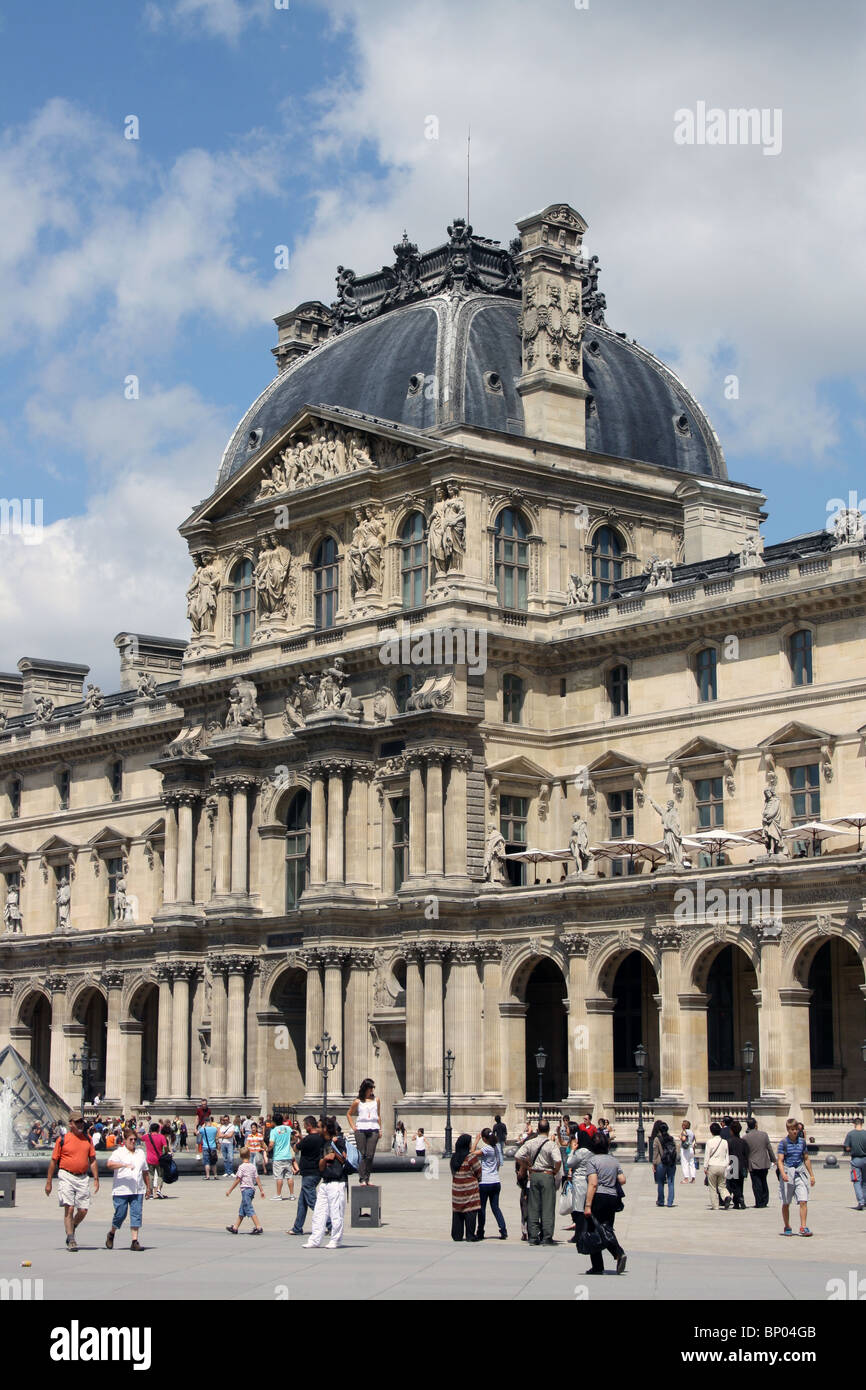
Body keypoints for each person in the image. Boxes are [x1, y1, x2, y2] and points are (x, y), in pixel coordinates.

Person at [44, 1112, 100, 1252]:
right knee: (69, 1207)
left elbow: (92, 1160)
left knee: (83, 1210)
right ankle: (71, 1238)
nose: (80, 1124)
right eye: (77, 1122)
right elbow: (53, 1161)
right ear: (70, 1124)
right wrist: (49, 1181)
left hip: (82, 1177)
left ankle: (72, 1226)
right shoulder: (62, 1140)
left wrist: (96, 1179)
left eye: (81, 1121)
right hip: (66, 1175)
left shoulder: (87, 1139)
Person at [583, 1131, 627, 1275]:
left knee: (593, 1229)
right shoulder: (613, 1160)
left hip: (598, 1197)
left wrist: (588, 1205)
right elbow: (622, 1179)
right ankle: (616, 1254)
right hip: (612, 1197)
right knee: (607, 1227)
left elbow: (593, 1184)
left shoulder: (592, 1161)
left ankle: (608, 1258)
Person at [514, 1118, 561, 1246]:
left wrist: (527, 1166)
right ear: (548, 1129)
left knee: (533, 1206)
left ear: (538, 1129)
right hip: (547, 1174)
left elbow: (517, 1155)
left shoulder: (531, 1142)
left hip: (534, 1175)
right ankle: (547, 1236)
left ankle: (533, 1236)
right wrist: (555, 1171)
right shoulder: (551, 1144)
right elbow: (558, 1160)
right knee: (547, 1206)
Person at [106, 1127, 152, 1250]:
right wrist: (124, 1165)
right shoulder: (118, 1152)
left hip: (137, 1190)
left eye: (135, 1140)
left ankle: (134, 1241)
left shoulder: (140, 1153)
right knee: (120, 1214)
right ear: (125, 1140)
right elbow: (109, 1164)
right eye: (130, 1139)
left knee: (136, 1214)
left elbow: (145, 1171)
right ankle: (112, 1233)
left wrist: (149, 1187)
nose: (133, 1142)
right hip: (121, 1189)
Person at [306, 1117, 348, 1249]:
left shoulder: (339, 1141)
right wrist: (324, 1159)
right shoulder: (323, 1144)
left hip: (337, 1181)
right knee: (319, 1212)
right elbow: (320, 1166)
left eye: (319, 1127)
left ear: (325, 1128)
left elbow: (344, 1159)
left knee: (336, 1213)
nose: (317, 1129)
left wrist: (334, 1150)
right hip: (325, 1182)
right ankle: (315, 1239)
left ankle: (336, 1240)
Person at [777, 1117, 815, 1236]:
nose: (794, 1132)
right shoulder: (783, 1143)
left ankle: (803, 1227)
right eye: (792, 1129)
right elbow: (780, 1160)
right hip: (788, 1173)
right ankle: (787, 1226)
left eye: (796, 1129)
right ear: (788, 1130)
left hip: (799, 1173)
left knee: (803, 1200)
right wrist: (783, 1174)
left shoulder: (802, 1142)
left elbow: (806, 1159)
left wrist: (812, 1175)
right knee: (786, 1202)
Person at [289, 1116, 324, 1236]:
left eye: (305, 1126)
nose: (304, 1128)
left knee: (313, 1202)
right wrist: (301, 1138)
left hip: (309, 1174)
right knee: (302, 1203)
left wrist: (297, 1139)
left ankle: (329, 1224)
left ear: (309, 1126)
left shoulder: (308, 1139)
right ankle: (297, 1228)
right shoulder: (319, 1138)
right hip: (316, 1172)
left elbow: (296, 1148)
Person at [473, 1128, 507, 1240]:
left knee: (481, 1208)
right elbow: (497, 1164)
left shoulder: (487, 1148)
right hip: (496, 1181)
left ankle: (480, 1231)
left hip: (485, 1182)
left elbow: (471, 1154)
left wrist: (476, 1141)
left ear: (484, 1138)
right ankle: (503, 1230)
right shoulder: (496, 1148)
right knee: (495, 1207)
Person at [347, 1078, 381, 1186]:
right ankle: (362, 1178)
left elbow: (378, 1115)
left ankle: (367, 1177)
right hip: (361, 1129)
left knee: (370, 1155)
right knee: (362, 1154)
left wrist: (380, 1128)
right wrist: (353, 1127)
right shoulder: (358, 1101)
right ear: (365, 1089)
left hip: (373, 1128)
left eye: (372, 1089)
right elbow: (349, 1114)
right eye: (370, 1089)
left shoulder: (377, 1100)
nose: (371, 1091)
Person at [226, 1146, 265, 1235]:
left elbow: (238, 1179)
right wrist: (261, 1190)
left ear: (240, 1156)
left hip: (245, 1190)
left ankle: (258, 1226)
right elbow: (257, 1178)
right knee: (242, 1209)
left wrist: (230, 1190)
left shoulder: (241, 1167)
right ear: (249, 1155)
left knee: (249, 1208)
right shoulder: (252, 1167)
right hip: (251, 1190)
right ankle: (235, 1227)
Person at [450, 1134, 482, 1242]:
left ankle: (457, 1235)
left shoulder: (454, 1157)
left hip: (457, 1189)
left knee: (458, 1211)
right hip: (470, 1189)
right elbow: (478, 1170)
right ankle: (470, 1235)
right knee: (470, 1211)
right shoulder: (471, 1157)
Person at [743, 1117, 776, 1208]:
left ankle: (759, 1201)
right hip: (764, 1162)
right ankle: (765, 1200)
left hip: (753, 1163)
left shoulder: (746, 1137)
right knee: (763, 1181)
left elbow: (745, 1152)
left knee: (756, 1183)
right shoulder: (764, 1135)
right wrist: (774, 1160)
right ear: (756, 1125)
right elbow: (769, 1148)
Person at [704, 1122, 731, 1210]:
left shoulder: (709, 1142)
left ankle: (715, 1205)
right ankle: (726, 1196)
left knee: (712, 1187)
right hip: (722, 1165)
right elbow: (727, 1155)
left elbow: (707, 1155)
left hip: (712, 1165)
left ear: (711, 1132)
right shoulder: (724, 1142)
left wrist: (705, 1167)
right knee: (722, 1185)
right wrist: (726, 1165)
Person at [269, 1113, 296, 1201]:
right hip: (287, 1155)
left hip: (278, 1156)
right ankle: (292, 1194)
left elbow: (271, 1144)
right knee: (289, 1176)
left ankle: (278, 1194)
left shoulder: (274, 1131)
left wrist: (268, 1149)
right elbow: (294, 1136)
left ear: (274, 1121)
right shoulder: (288, 1128)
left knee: (279, 1176)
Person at [651, 1121, 677, 1207]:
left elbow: (655, 1153)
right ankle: (670, 1202)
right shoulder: (671, 1138)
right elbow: (675, 1150)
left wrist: (654, 1164)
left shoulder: (657, 1139)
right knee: (671, 1182)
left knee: (660, 1182)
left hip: (661, 1163)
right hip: (671, 1163)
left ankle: (661, 1201)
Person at [843, 1116, 866, 1210]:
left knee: (857, 1181)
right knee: (865, 1182)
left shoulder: (850, 1134)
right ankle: (865, 1200)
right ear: (862, 1124)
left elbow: (847, 1147)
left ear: (854, 1124)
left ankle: (861, 1202)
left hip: (856, 1160)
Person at [726, 1120, 750, 1210]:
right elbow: (747, 1154)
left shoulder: (729, 1141)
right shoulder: (743, 1142)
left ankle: (739, 1198)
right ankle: (737, 1202)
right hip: (742, 1165)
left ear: (731, 1130)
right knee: (740, 1184)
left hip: (732, 1164)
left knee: (732, 1185)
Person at [144, 1121, 168, 1199]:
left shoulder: (147, 1136)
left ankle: (150, 1192)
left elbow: (139, 1136)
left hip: (150, 1159)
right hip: (159, 1159)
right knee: (160, 1175)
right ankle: (158, 1190)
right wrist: (166, 1152)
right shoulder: (161, 1137)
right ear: (158, 1129)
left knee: (151, 1175)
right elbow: (165, 1146)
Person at [217, 1115, 237, 1179]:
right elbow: (219, 1135)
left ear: (229, 1120)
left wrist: (223, 1135)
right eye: (224, 1120)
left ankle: (231, 1172)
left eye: (226, 1120)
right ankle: (226, 1171)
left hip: (229, 1143)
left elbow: (230, 1135)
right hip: (223, 1143)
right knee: (225, 1158)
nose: (225, 1121)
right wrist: (226, 1135)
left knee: (230, 1158)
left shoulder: (232, 1126)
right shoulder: (221, 1126)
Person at [199, 1115, 218, 1179]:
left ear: (205, 1122)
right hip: (213, 1147)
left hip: (205, 1147)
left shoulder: (203, 1129)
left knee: (207, 1162)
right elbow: (216, 1135)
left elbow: (196, 1133)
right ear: (210, 1121)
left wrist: (202, 1126)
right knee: (214, 1162)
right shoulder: (214, 1129)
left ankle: (208, 1176)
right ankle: (215, 1175)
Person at [680, 1118, 696, 1183]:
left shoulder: (684, 1131)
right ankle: (693, 1178)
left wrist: (680, 1137)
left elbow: (683, 1139)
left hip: (685, 1149)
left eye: (682, 1125)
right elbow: (694, 1141)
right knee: (692, 1164)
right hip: (691, 1148)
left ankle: (686, 1178)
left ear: (684, 1126)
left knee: (685, 1163)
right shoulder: (692, 1132)